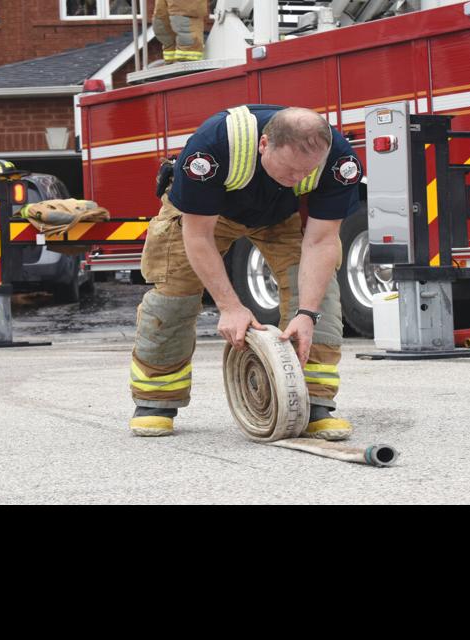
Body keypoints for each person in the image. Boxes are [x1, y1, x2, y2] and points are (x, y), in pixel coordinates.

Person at [128, 105, 359, 440]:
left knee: (321, 299)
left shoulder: (340, 163)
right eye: (288, 170)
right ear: (264, 144)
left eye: (304, 172)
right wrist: (230, 307)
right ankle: (155, 402)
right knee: (174, 296)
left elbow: (321, 241)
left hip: (279, 216)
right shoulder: (212, 147)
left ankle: (315, 405)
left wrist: (307, 312)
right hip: (209, 216)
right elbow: (198, 236)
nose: (296, 178)